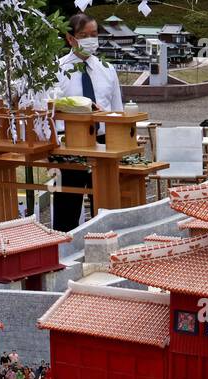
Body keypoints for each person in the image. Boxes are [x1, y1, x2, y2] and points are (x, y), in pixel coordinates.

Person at [51, 13, 124, 232]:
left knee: (104, 203)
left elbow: (117, 108)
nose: (90, 40)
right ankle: (64, 248)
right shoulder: (56, 70)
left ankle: (105, 243)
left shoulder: (107, 68)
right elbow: (50, 107)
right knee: (67, 204)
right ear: (70, 38)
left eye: (94, 34)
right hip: (68, 144)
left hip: (103, 142)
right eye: (83, 35)